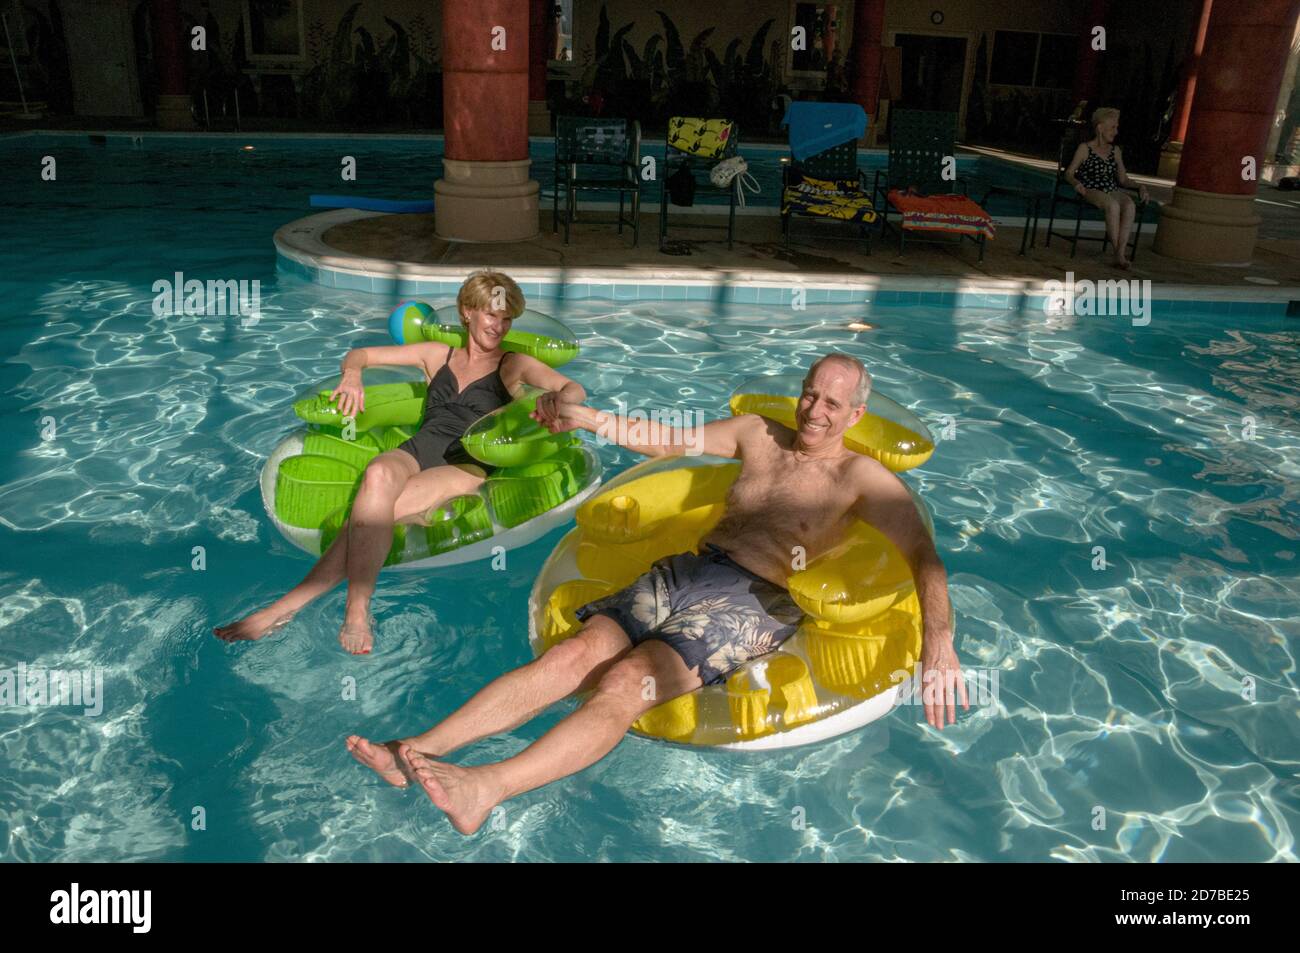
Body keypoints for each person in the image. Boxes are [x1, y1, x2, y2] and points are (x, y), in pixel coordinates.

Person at [346, 353, 965, 833]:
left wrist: (940, 647)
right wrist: (583, 417)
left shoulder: (861, 478)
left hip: (755, 602)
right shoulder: (758, 435)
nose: (814, 410)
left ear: (855, 414)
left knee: (627, 683)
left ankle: (486, 788)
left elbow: (924, 559)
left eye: (832, 402)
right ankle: (412, 752)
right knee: (569, 657)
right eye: (809, 392)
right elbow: (666, 437)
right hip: (691, 571)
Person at [214, 271, 586, 654]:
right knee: (377, 473)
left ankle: (340, 609)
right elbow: (361, 354)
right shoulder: (435, 354)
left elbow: (573, 388)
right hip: (417, 449)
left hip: (464, 463)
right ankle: (294, 608)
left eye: (507, 319)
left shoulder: (513, 364)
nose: (500, 326)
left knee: (376, 515)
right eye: (492, 316)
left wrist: (555, 401)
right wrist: (353, 376)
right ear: (467, 313)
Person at [1064, 107, 1150, 269]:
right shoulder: (1085, 148)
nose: (1116, 131)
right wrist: (1076, 183)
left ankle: (1120, 253)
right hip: (1090, 189)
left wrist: (1141, 187)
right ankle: (1119, 255)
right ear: (1100, 128)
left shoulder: (1115, 151)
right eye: (1113, 127)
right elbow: (1069, 173)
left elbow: (1123, 179)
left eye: (1116, 127)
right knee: (1112, 205)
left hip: (1110, 189)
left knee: (1130, 205)